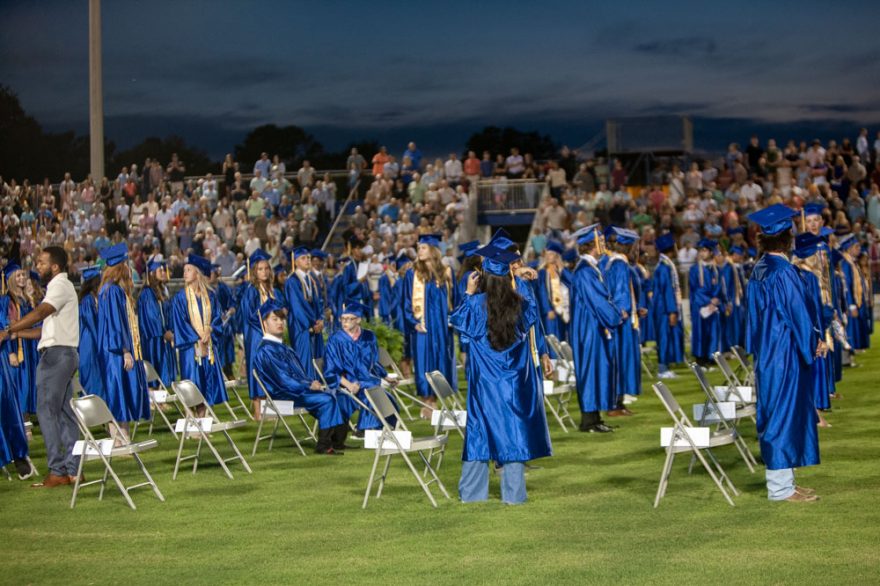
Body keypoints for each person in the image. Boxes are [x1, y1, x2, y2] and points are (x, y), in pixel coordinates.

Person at [450, 245, 552, 504]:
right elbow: (532, 324)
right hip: (514, 382)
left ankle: (473, 495)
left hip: (485, 384)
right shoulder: (521, 305)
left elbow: (457, 322)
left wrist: (468, 293)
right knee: (513, 432)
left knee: (479, 431)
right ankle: (514, 495)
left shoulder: (474, 305)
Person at [745, 204, 822, 502]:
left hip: (768, 354)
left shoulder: (760, 269)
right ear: (788, 238)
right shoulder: (784, 272)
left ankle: (787, 481)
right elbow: (799, 315)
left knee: (780, 413)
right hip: (784, 355)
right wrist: (811, 343)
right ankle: (779, 489)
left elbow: (752, 320)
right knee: (781, 416)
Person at [1, 247, 80, 487]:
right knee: (65, 414)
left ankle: (57, 470)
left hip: (56, 357)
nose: (37, 265)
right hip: (65, 354)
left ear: (55, 266)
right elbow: (44, 329)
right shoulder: (62, 287)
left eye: (41, 262)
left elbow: (42, 312)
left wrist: (11, 328)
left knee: (46, 412)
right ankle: (73, 470)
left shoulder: (58, 285)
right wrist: (14, 335)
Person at [253, 299, 348, 455]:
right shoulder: (266, 350)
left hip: (295, 390)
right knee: (327, 399)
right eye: (274, 319)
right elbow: (283, 379)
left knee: (335, 394)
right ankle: (324, 445)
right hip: (283, 394)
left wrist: (310, 382)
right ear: (265, 323)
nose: (280, 323)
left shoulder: (283, 347)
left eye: (281, 319)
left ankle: (336, 441)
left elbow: (298, 375)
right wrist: (307, 386)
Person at [568, 225, 623, 433]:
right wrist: (616, 316)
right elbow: (598, 301)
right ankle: (588, 421)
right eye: (601, 241)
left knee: (597, 369)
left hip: (593, 326)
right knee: (590, 371)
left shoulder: (590, 268)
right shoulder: (584, 271)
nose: (604, 245)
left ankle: (596, 418)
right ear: (593, 244)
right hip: (588, 329)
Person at [97, 243, 150, 443]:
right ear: (121, 267)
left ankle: (119, 437)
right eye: (126, 265)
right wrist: (125, 350)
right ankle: (120, 438)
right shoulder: (113, 292)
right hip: (115, 350)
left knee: (115, 391)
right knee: (117, 390)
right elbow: (116, 325)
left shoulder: (106, 290)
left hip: (109, 349)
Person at [402, 234, 457, 415]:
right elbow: (406, 302)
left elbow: (454, 300)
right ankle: (427, 401)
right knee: (424, 362)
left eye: (423, 247)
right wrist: (414, 323)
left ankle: (438, 399)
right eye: (419, 248)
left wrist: (452, 320)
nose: (420, 250)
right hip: (423, 326)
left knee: (441, 359)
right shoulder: (412, 273)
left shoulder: (447, 272)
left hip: (442, 326)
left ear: (433, 250)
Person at [323, 301, 397, 433]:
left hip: (368, 380)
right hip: (347, 383)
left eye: (349, 319)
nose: (345, 322)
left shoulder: (369, 336)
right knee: (373, 393)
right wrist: (349, 385)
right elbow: (330, 371)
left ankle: (375, 429)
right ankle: (366, 430)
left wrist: (386, 376)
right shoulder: (335, 340)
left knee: (386, 396)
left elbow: (374, 363)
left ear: (358, 320)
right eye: (343, 319)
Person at [171, 255, 228, 413]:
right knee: (192, 384)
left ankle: (203, 420)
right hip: (191, 349)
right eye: (184, 270)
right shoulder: (180, 298)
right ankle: (193, 421)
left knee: (206, 382)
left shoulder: (210, 297)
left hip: (208, 346)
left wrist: (209, 330)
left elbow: (217, 318)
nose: (185, 273)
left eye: (188, 270)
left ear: (198, 273)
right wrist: (197, 340)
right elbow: (180, 323)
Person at [792, 233, 835, 428]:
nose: (820, 258)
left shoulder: (797, 274)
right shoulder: (806, 277)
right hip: (808, 332)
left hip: (806, 331)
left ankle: (813, 413)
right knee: (810, 372)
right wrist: (817, 335)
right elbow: (811, 309)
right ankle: (814, 414)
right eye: (816, 254)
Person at [600, 227, 642, 415]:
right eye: (635, 246)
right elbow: (620, 293)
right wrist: (624, 311)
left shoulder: (615, 263)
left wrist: (635, 310)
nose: (637, 250)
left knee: (620, 360)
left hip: (622, 318)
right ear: (628, 247)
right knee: (619, 360)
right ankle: (614, 404)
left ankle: (618, 402)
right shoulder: (619, 265)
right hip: (620, 322)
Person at [239, 248, 280, 419]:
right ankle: (257, 411)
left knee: (269, 370)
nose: (264, 272)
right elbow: (249, 314)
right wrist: (266, 323)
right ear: (254, 272)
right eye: (260, 269)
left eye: (266, 268)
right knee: (256, 370)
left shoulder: (272, 290)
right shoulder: (251, 290)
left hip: (270, 336)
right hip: (256, 335)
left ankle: (268, 408)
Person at [0, 263, 39, 416]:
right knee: (19, 384)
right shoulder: (7, 300)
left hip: (29, 346)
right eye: (18, 275)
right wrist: (10, 352)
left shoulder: (26, 299)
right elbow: (5, 326)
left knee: (29, 384)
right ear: (10, 279)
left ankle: (26, 419)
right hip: (17, 347)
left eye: (23, 275)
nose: (22, 278)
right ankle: (22, 421)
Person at [283, 247, 323, 378]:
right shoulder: (292, 281)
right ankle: (307, 390)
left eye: (308, 258)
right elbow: (297, 306)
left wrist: (320, 320)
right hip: (301, 326)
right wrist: (311, 324)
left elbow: (318, 303)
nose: (307, 260)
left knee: (316, 359)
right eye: (303, 258)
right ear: (296, 262)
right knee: (304, 360)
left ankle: (318, 387)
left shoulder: (311, 279)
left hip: (314, 326)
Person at [137, 259, 176, 387]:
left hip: (161, 336)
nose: (163, 272)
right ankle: (154, 400)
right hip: (152, 338)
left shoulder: (160, 290)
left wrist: (170, 330)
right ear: (152, 273)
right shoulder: (147, 293)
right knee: (154, 365)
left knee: (161, 366)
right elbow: (152, 317)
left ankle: (160, 397)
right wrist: (163, 332)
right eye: (160, 270)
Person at [651, 233, 684, 378]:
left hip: (662, 307)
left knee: (667, 336)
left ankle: (666, 366)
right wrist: (672, 311)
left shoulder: (664, 265)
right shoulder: (664, 267)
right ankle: (662, 368)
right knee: (664, 336)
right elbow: (668, 291)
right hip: (664, 308)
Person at [689, 239, 724, 367]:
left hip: (713, 306)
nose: (702, 254)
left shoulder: (717, 270)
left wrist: (715, 300)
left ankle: (712, 357)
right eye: (700, 251)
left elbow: (719, 287)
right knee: (700, 331)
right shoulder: (694, 270)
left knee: (713, 331)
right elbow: (695, 289)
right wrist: (709, 301)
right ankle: (700, 358)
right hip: (700, 305)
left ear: (710, 252)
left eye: (704, 251)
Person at [535, 240, 569, 346]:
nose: (549, 256)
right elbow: (541, 292)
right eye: (548, 253)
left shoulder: (561, 272)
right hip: (549, 312)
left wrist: (562, 268)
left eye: (552, 254)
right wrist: (548, 309)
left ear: (556, 256)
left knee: (562, 338)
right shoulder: (542, 272)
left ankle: (562, 361)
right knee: (551, 337)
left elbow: (573, 282)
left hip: (562, 311)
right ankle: (552, 360)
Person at [77, 265, 104, 397]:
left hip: (93, 339)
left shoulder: (94, 298)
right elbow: (92, 323)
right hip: (89, 341)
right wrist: (101, 341)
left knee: (97, 373)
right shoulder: (87, 300)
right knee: (91, 374)